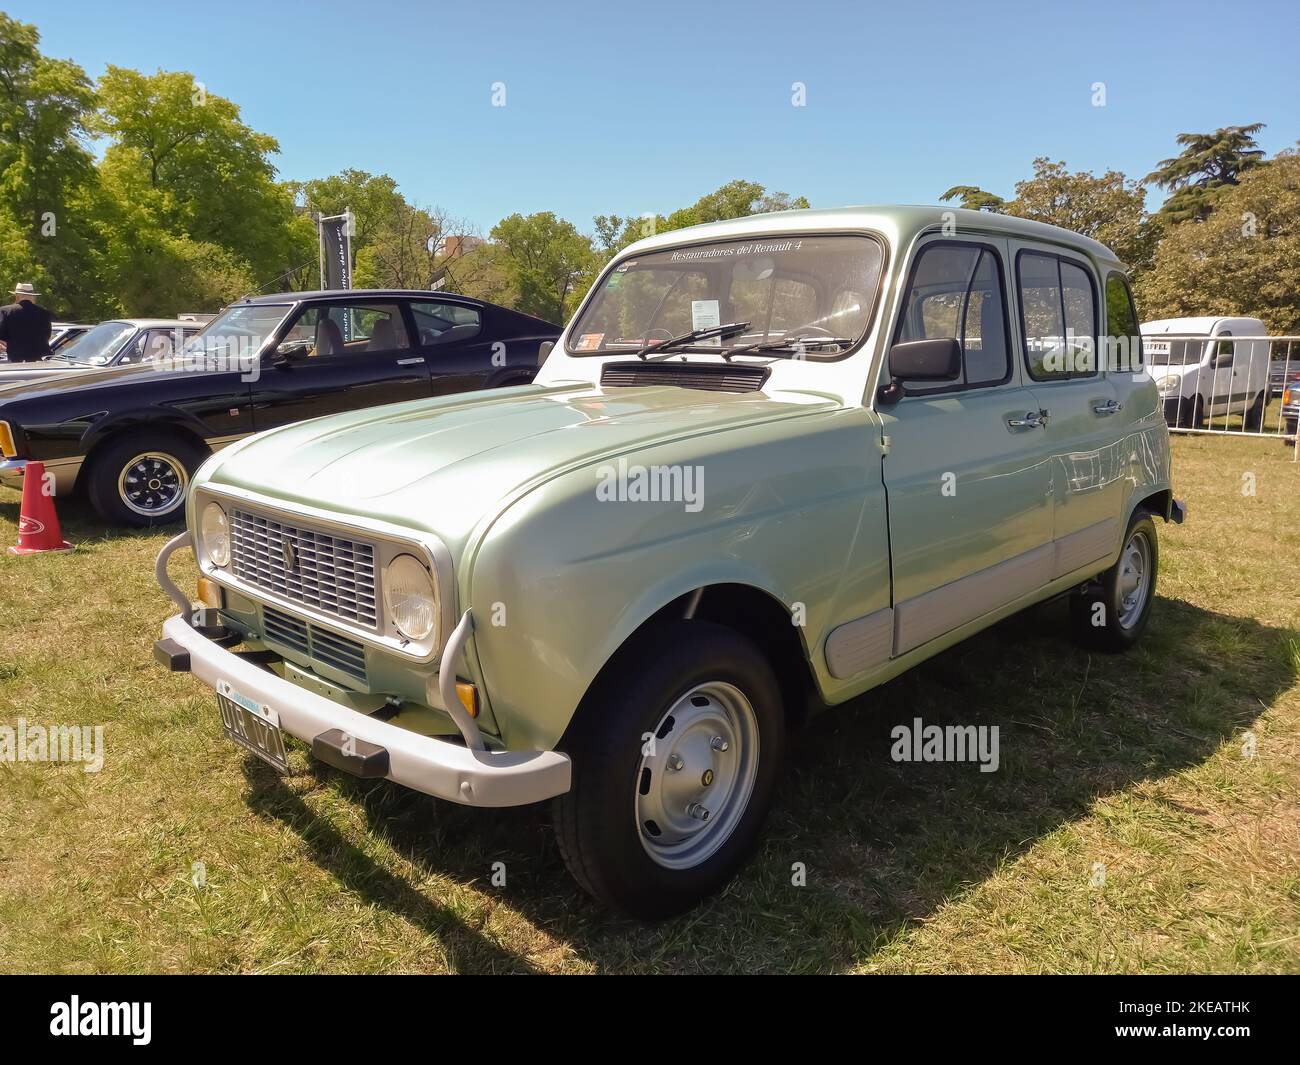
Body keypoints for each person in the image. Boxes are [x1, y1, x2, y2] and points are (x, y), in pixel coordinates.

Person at [0, 282, 54, 363]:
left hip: (16, 358)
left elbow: (1, 336)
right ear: (32, 296)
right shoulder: (44, 313)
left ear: (17, 295)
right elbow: (47, 335)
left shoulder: (5, 311)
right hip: (40, 359)